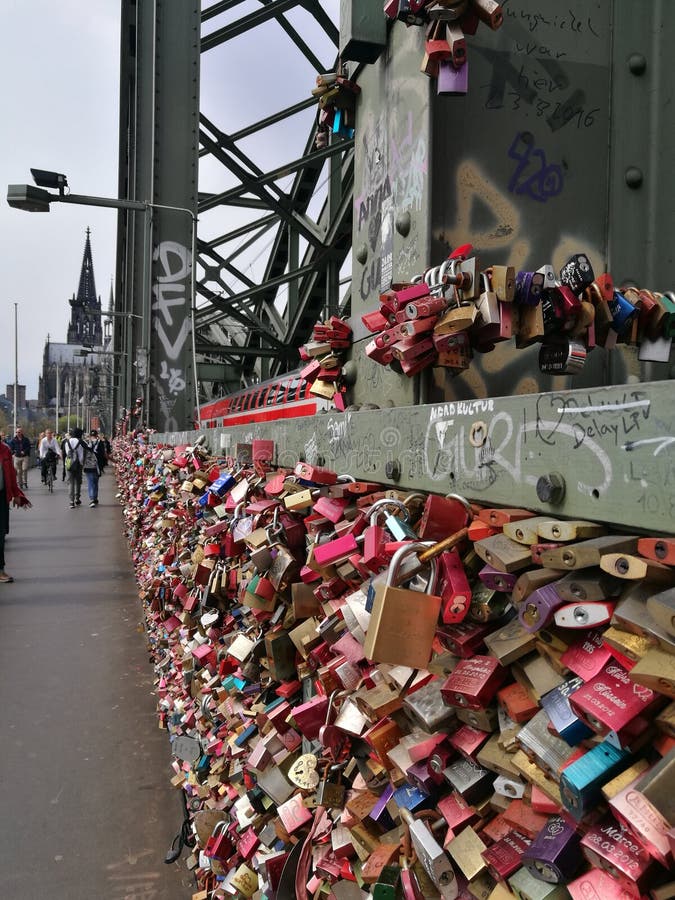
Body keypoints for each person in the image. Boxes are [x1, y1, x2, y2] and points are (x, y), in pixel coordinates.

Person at [0, 438, 31, 581]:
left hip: (1, 497)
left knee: (0, 536)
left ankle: (0, 570)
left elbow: (11, 474)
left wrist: (16, 493)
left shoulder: (5, 449)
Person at [62, 427, 85, 509]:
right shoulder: (81, 442)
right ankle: (77, 498)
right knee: (78, 482)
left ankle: (71, 501)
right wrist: (82, 464)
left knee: (70, 482)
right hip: (78, 464)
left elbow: (66, 453)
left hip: (68, 464)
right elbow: (81, 456)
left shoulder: (66, 442)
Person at [83, 429, 102, 507]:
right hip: (97, 466)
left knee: (90, 482)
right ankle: (95, 497)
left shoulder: (86, 443)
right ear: (97, 435)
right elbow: (102, 454)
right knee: (95, 482)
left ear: (90, 436)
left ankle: (92, 499)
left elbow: (83, 454)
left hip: (88, 465)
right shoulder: (100, 442)